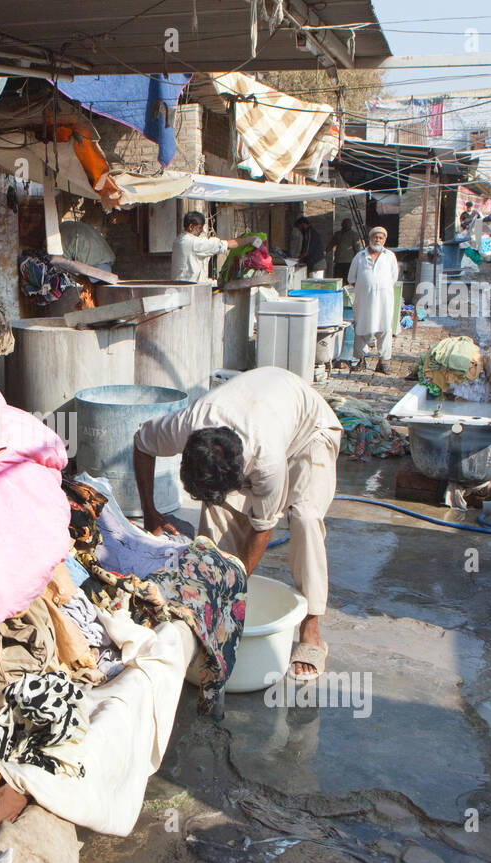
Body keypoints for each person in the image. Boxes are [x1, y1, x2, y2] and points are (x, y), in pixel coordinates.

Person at [132, 366, 342, 681]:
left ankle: (311, 629)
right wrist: (151, 512)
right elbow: (142, 444)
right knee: (213, 546)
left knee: (304, 516)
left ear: (242, 472)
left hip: (310, 432)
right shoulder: (188, 424)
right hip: (261, 414)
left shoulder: (267, 461)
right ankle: (207, 621)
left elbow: (262, 526)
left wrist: (236, 584)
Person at [345, 225, 399, 372]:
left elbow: (393, 278)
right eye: (375, 237)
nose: (377, 239)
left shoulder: (390, 256)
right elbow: (352, 278)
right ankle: (361, 360)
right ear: (370, 239)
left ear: (384, 240)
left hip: (384, 300)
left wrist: (379, 286)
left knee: (384, 328)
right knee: (361, 327)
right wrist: (367, 287)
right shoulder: (360, 256)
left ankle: (382, 362)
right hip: (364, 299)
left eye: (380, 237)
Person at [171, 211, 240, 283]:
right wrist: (249, 240)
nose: (201, 231)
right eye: (199, 228)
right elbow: (223, 245)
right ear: (191, 227)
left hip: (181, 284)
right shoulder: (193, 242)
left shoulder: (178, 240)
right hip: (190, 287)